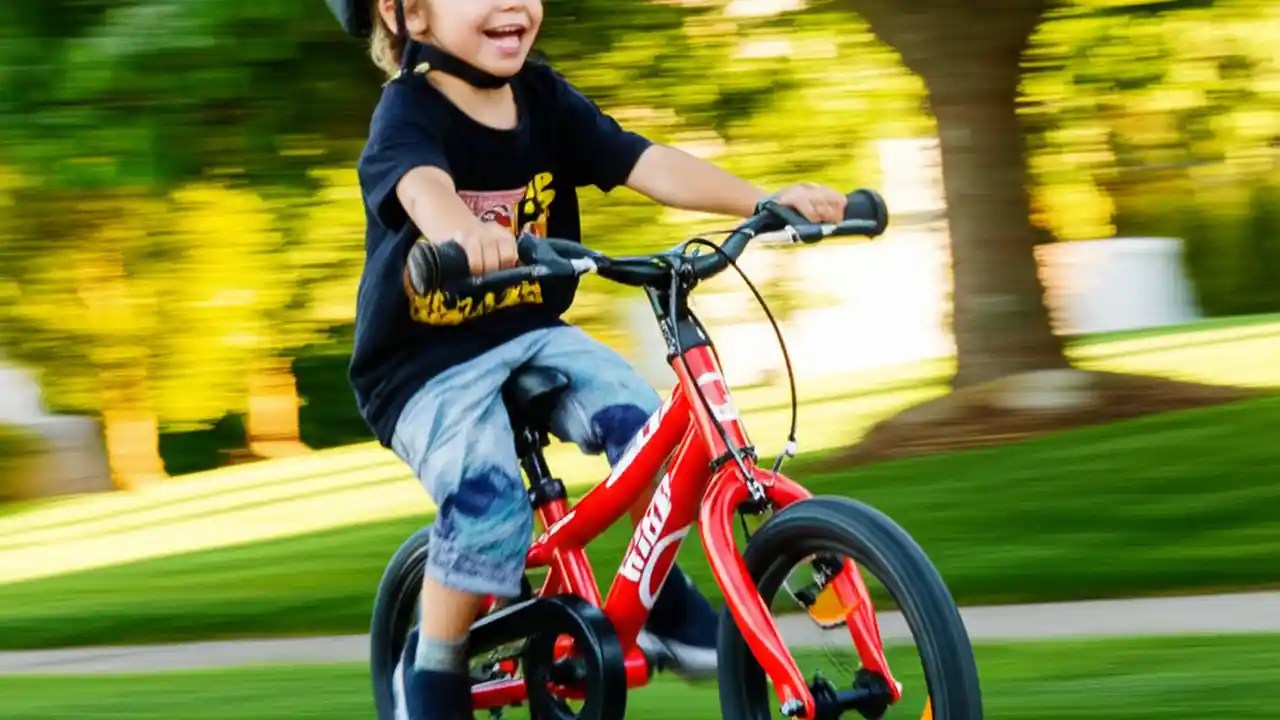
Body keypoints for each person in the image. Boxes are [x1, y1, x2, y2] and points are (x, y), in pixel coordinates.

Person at [335, 0, 849, 716]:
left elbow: (646, 161)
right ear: (409, 15)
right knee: (489, 507)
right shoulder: (409, 112)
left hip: (529, 332)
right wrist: (464, 233)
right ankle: (433, 677)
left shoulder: (541, 97)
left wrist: (764, 201)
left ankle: (660, 597)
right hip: (424, 368)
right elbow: (423, 186)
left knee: (646, 428)